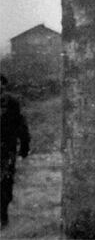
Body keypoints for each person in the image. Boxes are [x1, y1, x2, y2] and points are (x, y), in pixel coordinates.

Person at [0, 75, 30, 227]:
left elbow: (20, 124)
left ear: (4, 85)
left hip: (6, 149)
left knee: (5, 182)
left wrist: (24, 145)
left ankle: (3, 215)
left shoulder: (12, 103)